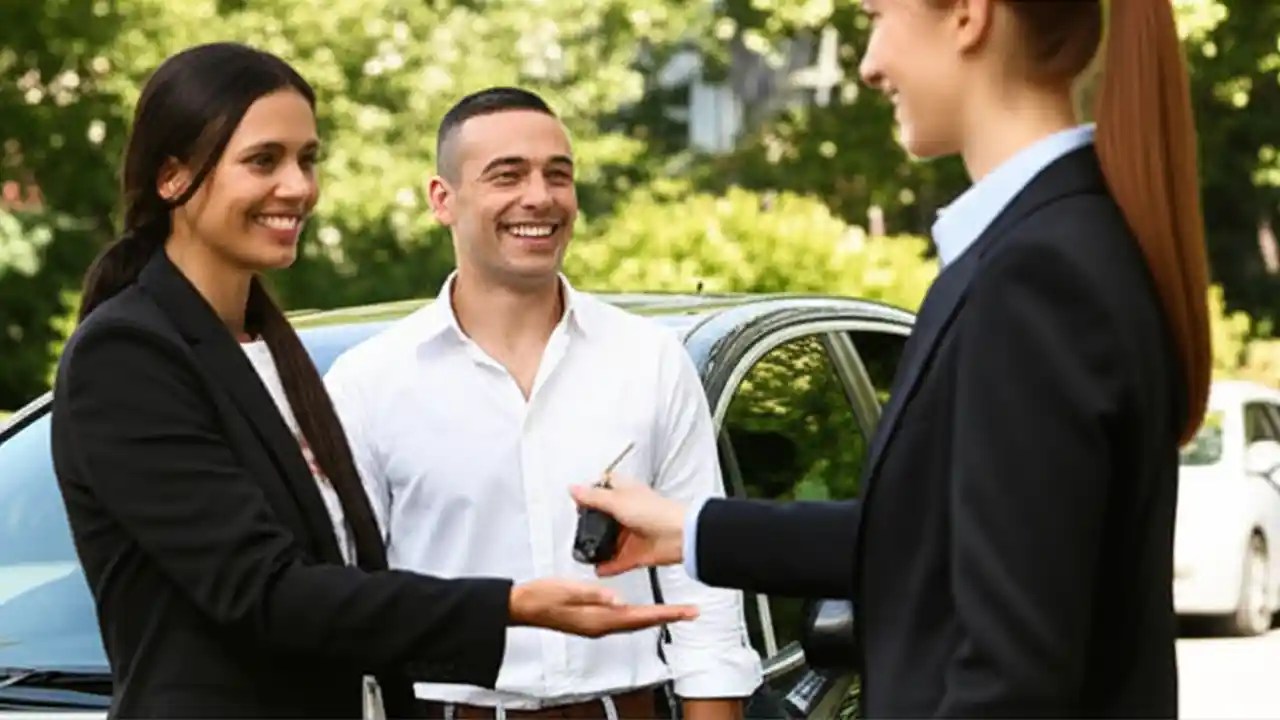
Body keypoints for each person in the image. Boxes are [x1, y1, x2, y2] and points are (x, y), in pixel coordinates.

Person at [572, 0, 1210, 717]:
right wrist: (684, 530)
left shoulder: (1036, 274)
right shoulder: (1050, 247)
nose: (872, 65)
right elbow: (929, 535)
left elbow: (1013, 676)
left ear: (969, 16)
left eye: (878, 16)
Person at [49, 43, 695, 720]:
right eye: (263, 160)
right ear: (173, 178)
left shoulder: (272, 347)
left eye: (308, 159)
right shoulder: (127, 352)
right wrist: (510, 604)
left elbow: (347, 580)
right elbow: (262, 592)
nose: (298, 187)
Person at [323, 87, 762, 720]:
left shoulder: (649, 359)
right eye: (507, 176)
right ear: (441, 199)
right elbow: (344, 600)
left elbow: (704, 585)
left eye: (559, 175)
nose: (540, 197)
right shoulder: (369, 382)